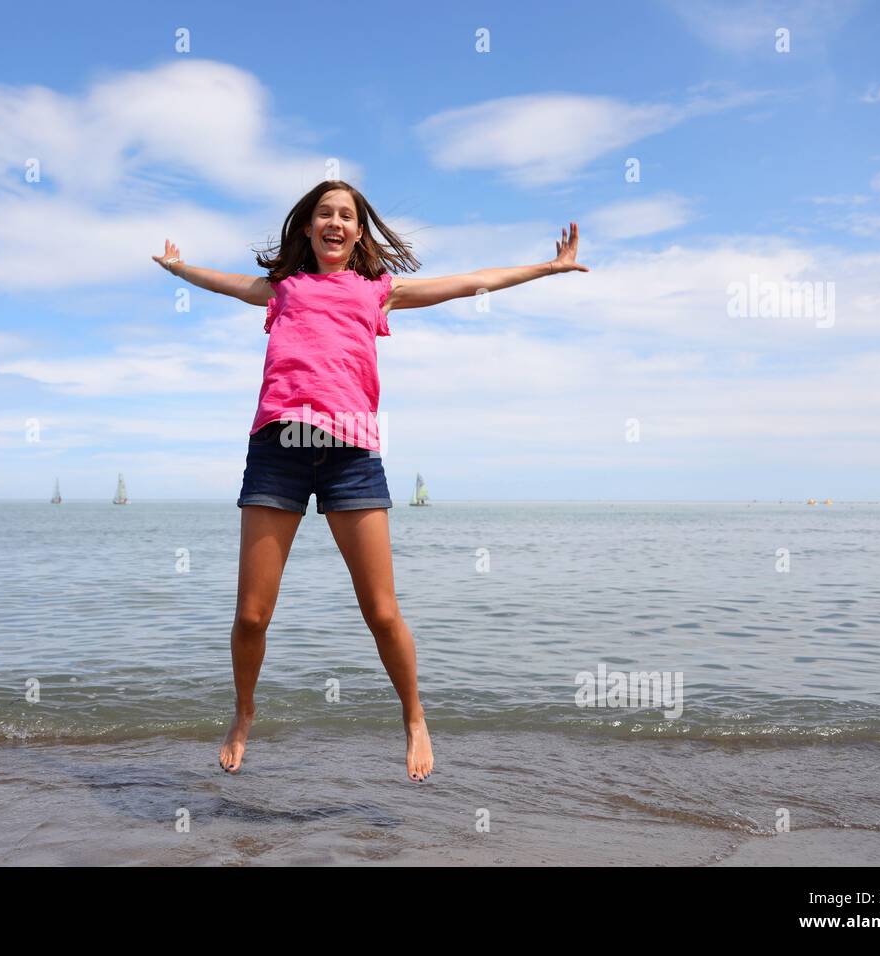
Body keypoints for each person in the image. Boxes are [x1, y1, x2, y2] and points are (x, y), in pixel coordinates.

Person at [152, 180, 589, 782]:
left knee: (381, 611)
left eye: (346, 216)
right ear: (306, 227)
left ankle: (413, 716)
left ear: (359, 231)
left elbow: (469, 282)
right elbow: (220, 281)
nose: (334, 222)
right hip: (276, 452)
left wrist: (547, 267)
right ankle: (244, 711)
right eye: (324, 214)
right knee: (252, 616)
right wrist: (178, 269)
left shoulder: (379, 291)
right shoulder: (282, 289)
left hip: (351, 456)